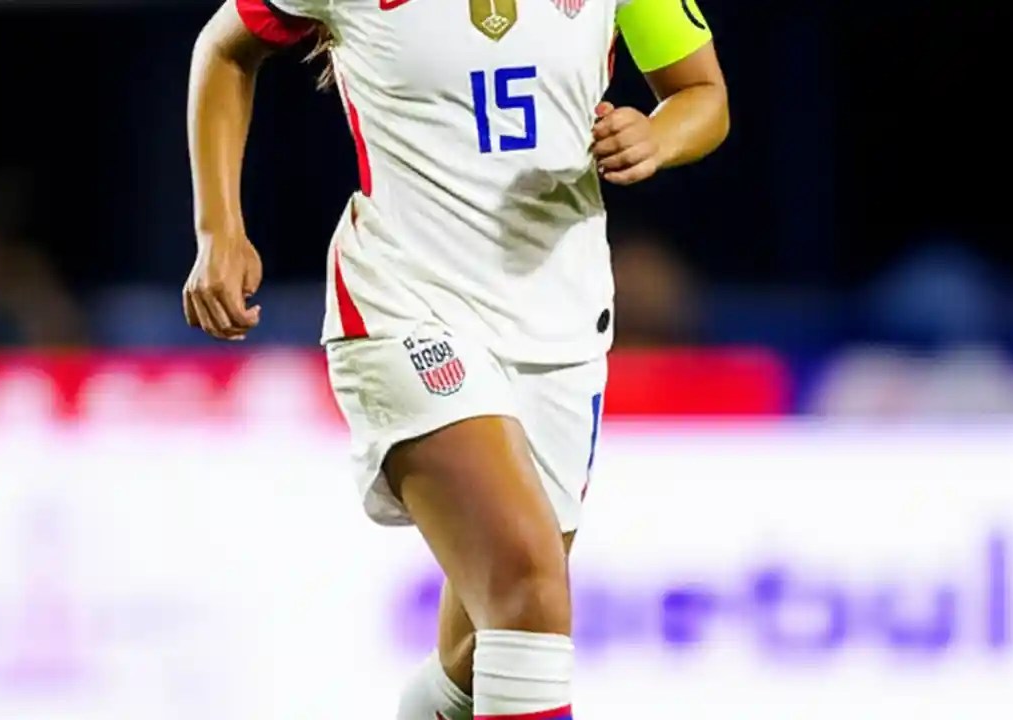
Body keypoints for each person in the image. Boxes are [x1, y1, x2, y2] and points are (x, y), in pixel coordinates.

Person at [185, 0, 728, 717]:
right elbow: (225, 49)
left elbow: (704, 95)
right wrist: (218, 226)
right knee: (530, 592)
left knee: (477, 658)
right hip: (405, 305)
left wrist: (658, 137)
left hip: (560, 329)